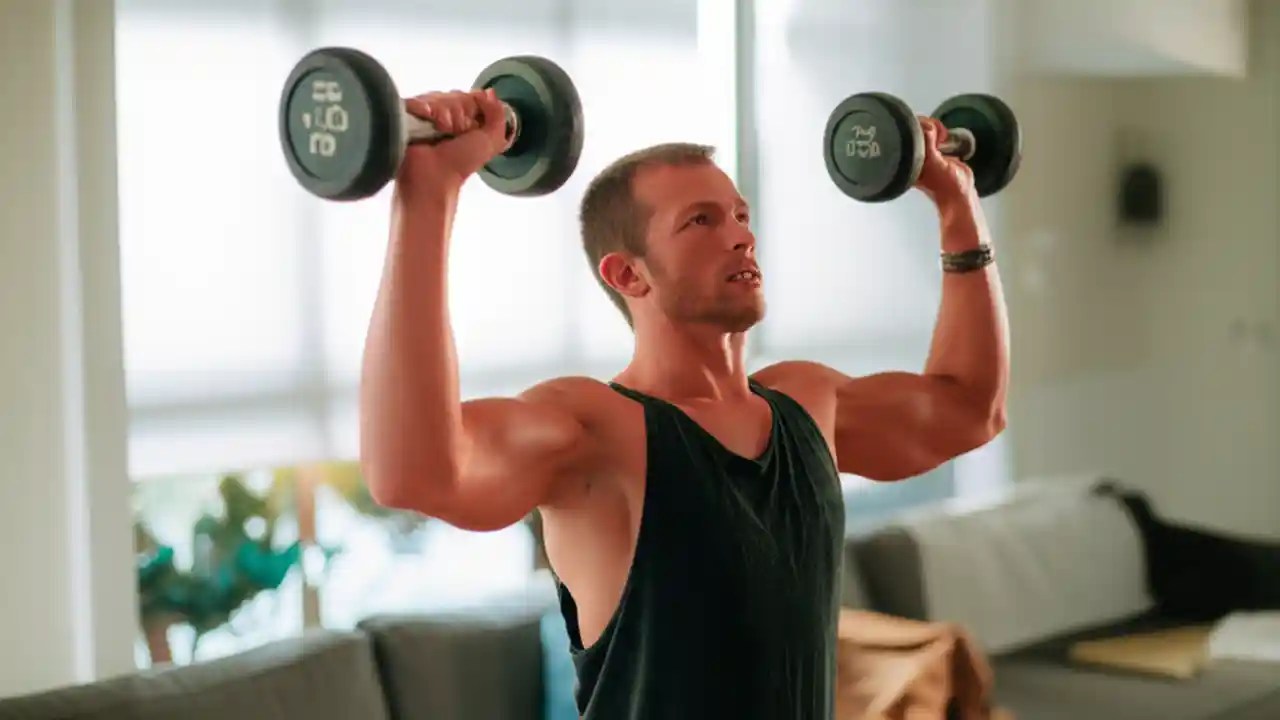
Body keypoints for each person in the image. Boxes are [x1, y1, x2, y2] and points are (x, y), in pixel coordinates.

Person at [359, 87, 1010, 719]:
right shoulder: (596, 431)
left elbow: (970, 409)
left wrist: (956, 201)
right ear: (628, 273)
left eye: (741, 216)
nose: (740, 237)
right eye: (701, 221)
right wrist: (429, 194)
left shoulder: (808, 403)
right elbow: (412, 473)